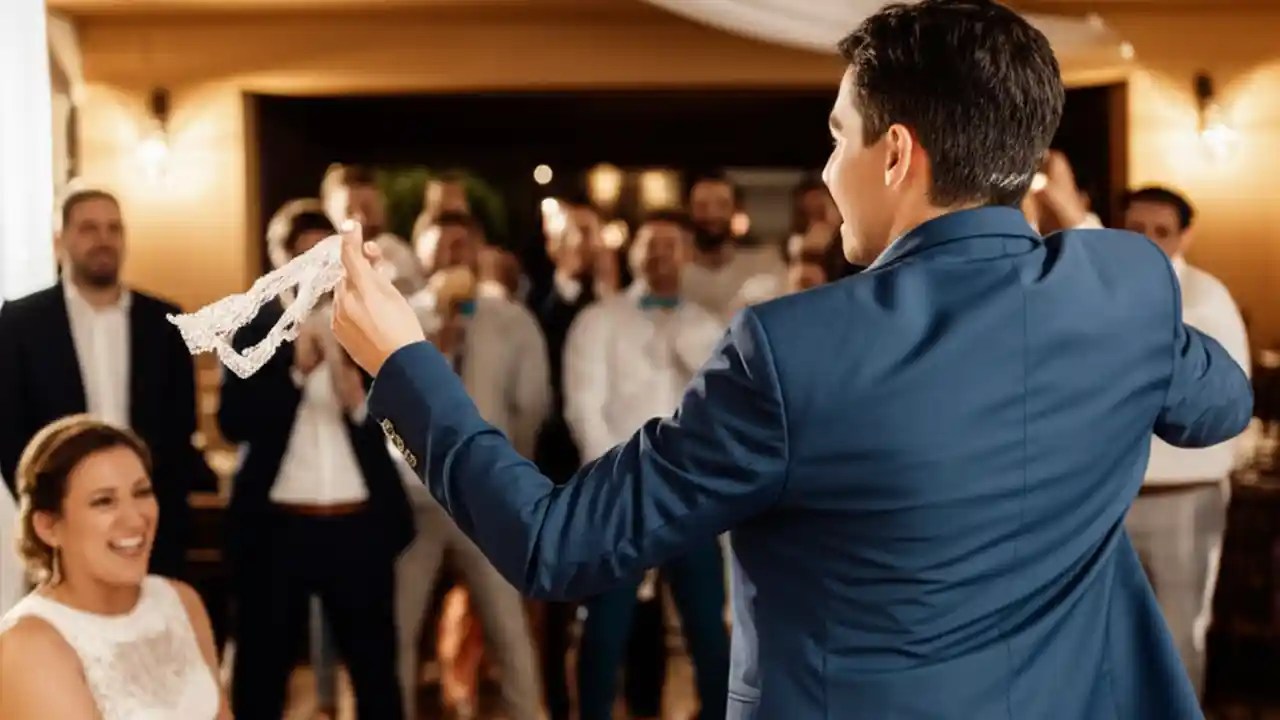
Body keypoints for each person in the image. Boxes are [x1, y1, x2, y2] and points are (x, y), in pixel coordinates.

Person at [331, 1, 1253, 717]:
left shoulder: (793, 350)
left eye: (835, 137)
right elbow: (1220, 403)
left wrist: (402, 363)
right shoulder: (1125, 287)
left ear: (896, 155)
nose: (823, 169)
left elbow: (557, 544)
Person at [562, 210, 730, 719]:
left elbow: (724, 417)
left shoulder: (709, 327)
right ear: (633, 251)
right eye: (650, 244)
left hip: (689, 501)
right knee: (605, 632)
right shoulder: (598, 319)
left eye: (672, 245)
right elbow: (583, 409)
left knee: (707, 630)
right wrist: (624, 484)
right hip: (619, 500)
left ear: (688, 255)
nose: (660, 254)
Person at [0, 188, 215, 580]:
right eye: (89, 228)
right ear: (59, 239)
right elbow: (9, 429)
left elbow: (181, 428)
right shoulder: (19, 323)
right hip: (61, 525)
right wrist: (48, 511)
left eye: (114, 228)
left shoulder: (165, 322)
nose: (104, 239)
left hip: (150, 526)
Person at [0, 415, 228, 719]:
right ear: (48, 526)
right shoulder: (28, 646)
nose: (135, 519)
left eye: (142, 492)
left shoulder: (180, 600)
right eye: (104, 501)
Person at [1121, 186, 1251, 697]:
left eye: (1161, 232)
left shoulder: (1204, 297)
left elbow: (1227, 399)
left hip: (1185, 497)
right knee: (1117, 640)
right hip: (1118, 496)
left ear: (1185, 236)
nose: (1149, 243)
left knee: (1177, 637)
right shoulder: (1105, 291)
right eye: (1136, 230)